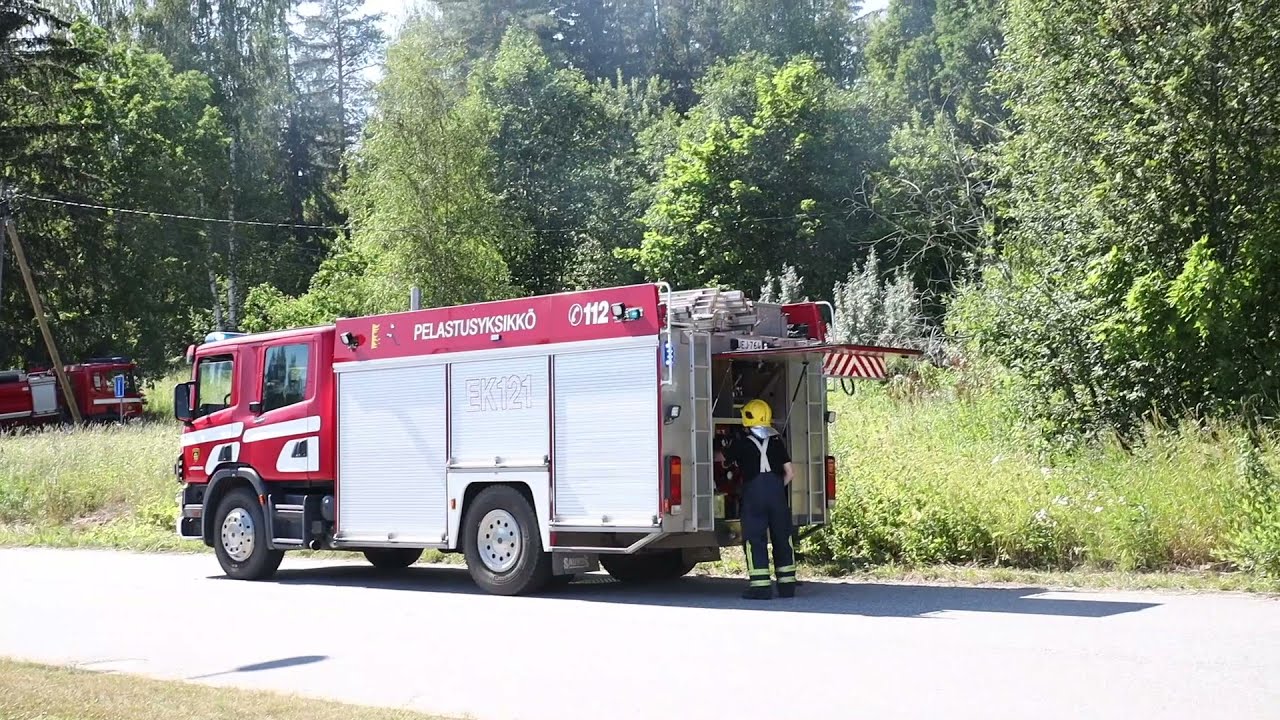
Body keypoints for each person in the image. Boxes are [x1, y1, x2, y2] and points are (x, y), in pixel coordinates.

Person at [716, 398, 796, 599]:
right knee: (782, 538)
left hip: (754, 497)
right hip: (777, 496)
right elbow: (790, 473)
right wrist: (776, 488)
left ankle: (761, 587)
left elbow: (723, 461)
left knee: (755, 540)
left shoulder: (742, 443)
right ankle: (787, 586)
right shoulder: (777, 442)